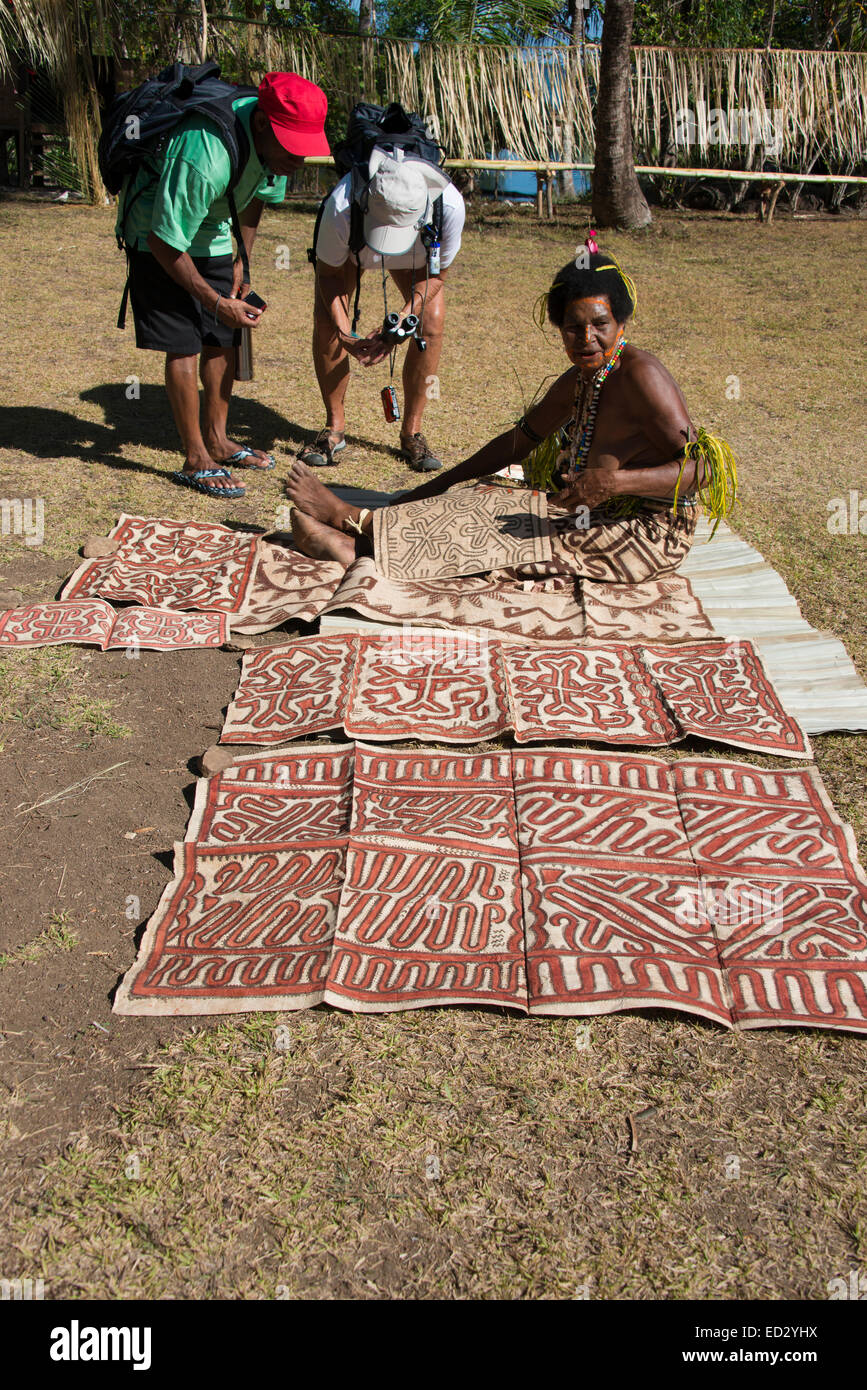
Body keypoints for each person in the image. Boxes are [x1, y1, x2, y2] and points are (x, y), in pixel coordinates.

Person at [284, 248, 733, 575]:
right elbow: (520, 440)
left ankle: (355, 537)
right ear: (559, 330)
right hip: (592, 509)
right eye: (573, 328)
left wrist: (617, 482)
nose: (587, 338)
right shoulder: (580, 378)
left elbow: (704, 469)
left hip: (643, 530)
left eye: (601, 325)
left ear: (622, 323)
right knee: (486, 498)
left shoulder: (641, 375)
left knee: (515, 548)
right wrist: (438, 485)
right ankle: (368, 535)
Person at [117, 71, 329, 499]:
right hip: (155, 234)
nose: (299, 162)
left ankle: (218, 438)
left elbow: (254, 199)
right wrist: (213, 299)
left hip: (210, 228)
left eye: (306, 151)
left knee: (222, 338)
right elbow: (165, 239)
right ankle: (196, 457)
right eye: (293, 149)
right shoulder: (206, 152)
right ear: (263, 125)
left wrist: (241, 262)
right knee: (185, 342)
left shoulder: (278, 150)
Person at [300, 147, 466, 474]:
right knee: (327, 322)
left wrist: (403, 320)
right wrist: (345, 330)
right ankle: (334, 427)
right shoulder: (341, 206)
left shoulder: (449, 206)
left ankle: (412, 432)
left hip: (418, 259)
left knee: (429, 323)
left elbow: (437, 277)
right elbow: (329, 275)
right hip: (353, 252)